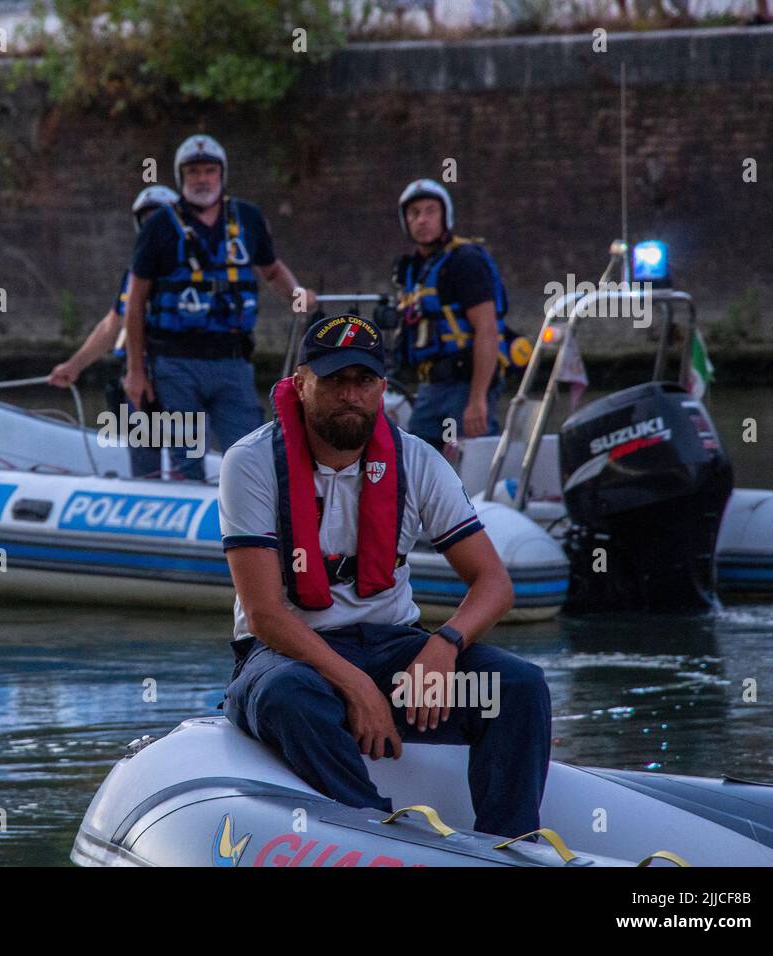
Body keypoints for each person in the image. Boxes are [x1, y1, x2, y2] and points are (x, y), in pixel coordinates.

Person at [218, 313, 552, 839]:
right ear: (301, 383)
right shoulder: (251, 462)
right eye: (334, 381)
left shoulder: (417, 461)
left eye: (364, 381)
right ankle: (380, 832)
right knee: (290, 696)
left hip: (394, 648)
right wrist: (356, 687)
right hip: (287, 656)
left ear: (382, 388)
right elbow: (263, 614)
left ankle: (509, 843)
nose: (350, 395)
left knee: (519, 685)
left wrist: (443, 646)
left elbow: (493, 583)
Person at [122, 134, 316, 480]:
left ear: (222, 175)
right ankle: (188, 522)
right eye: (194, 171)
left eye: (210, 171)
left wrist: (297, 294)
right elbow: (135, 303)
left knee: (252, 454)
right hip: (175, 364)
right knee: (187, 459)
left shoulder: (248, 218)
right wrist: (136, 371)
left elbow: (270, 269)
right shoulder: (157, 227)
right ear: (182, 177)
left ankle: (255, 525)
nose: (202, 179)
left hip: (232, 360)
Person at [49, 185, 179, 477]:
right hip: (140, 380)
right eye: (147, 220)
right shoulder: (135, 274)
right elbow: (113, 325)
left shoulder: (195, 271)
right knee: (145, 464)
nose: (153, 227)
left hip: (181, 374)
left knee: (189, 455)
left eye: (160, 218)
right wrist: (75, 365)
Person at [391, 179, 512, 452]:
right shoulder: (414, 269)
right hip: (430, 388)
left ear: (445, 215)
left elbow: (487, 329)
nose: (422, 220)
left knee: (467, 463)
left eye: (430, 211)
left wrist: (477, 399)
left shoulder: (465, 261)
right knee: (417, 461)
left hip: (464, 386)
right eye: (414, 213)